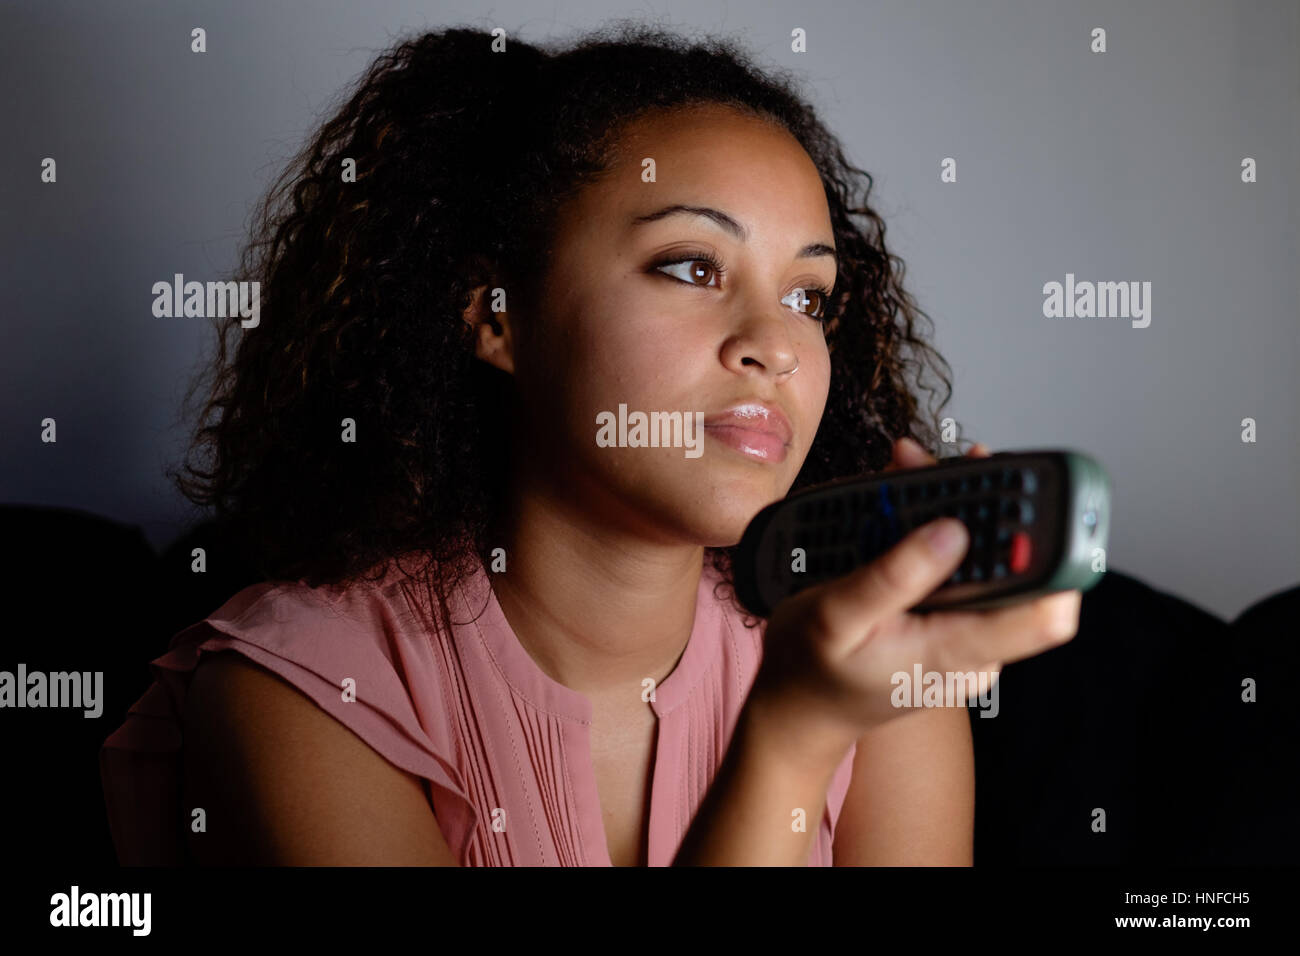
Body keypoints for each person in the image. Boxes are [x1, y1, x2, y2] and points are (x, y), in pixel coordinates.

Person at [99, 23, 1080, 867]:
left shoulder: (879, 672)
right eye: (692, 265)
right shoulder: (294, 690)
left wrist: (822, 711)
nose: (774, 345)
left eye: (806, 296)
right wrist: (791, 736)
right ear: (498, 317)